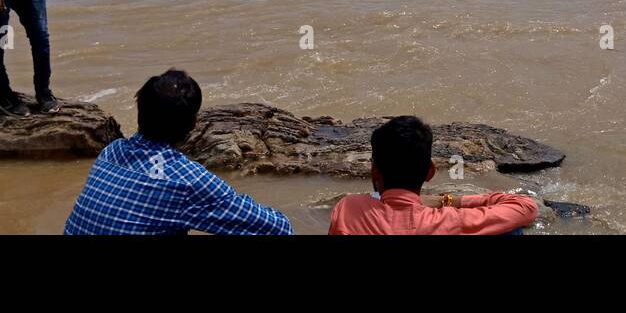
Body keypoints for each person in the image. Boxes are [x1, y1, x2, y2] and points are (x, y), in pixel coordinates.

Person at [65, 69, 293, 235]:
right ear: (193, 124)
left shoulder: (111, 152)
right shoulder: (186, 181)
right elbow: (278, 229)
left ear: (140, 113)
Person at [328, 116, 538, 235]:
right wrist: (447, 201)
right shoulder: (449, 222)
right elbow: (525, 207)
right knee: (511, 229)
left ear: (374, 171)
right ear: (430, 172)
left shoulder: (349, 208)